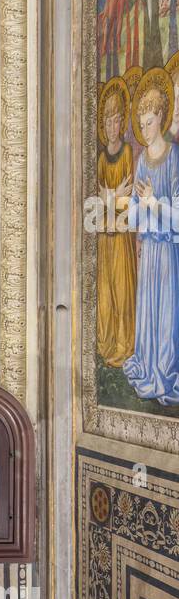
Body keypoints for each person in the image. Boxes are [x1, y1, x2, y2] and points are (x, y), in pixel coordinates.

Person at [123, 74, 179, 403]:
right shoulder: (142, 159)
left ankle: (165, 367)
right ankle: (147, 364)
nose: (144, 130)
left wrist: (152, 203)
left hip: (168, 249)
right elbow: (133, 212)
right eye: (141, 125)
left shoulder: (173, 157)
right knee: (147, 310)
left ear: (160, 117)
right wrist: (136, 207)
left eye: (149, 122)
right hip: (150, 248)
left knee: (167, 310)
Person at [95, 77, 136, 366]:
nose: (112, 127)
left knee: (122, 290)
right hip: (104, 236)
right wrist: (112, 197)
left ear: (122, 122)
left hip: (121, 236)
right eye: (107, 122)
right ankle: (107, 342)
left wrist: (111, 199)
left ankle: (123, 344)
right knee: (106, 291)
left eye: (116, 121)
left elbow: (128, 197)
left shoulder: (127, 153)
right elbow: (96, 205)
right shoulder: (100, 159)